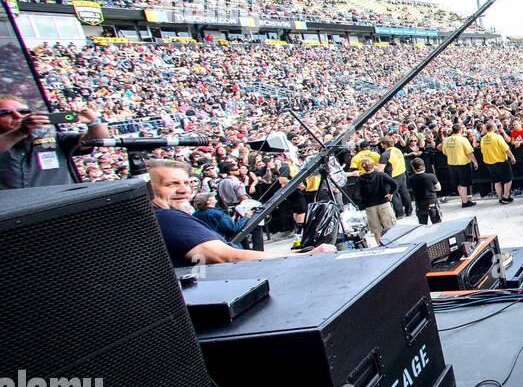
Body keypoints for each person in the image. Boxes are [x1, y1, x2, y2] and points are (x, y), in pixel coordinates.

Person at [148, 160, 335, 266]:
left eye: (187, 183)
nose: (184, 190)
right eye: (171, 184)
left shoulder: (160, 219)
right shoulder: (168, 218)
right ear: (146, 190)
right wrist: (306, 256)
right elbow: (227, 256)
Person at [0, 99, 109, 189]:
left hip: (57, 205)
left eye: (23, 111)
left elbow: (100, 140)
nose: (18, 115)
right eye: (5, 113)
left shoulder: (53, 137)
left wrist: (94, 122)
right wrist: (20, 132)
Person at [356, 156, 398, 240]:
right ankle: (393, 242)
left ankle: (379, 245)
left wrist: (363, 203)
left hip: (370, 206)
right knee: (390, 226)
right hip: (383, 203)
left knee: (376, 231)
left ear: (363, 167)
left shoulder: (359, 179)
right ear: (373, 165)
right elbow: (394, 183)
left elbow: (356, 195)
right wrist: (390, 193)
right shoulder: (380, 175)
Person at [440, 123, 478, 208]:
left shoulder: (446, 140)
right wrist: (475, 161)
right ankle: (465, 202)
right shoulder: (463, 139)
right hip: (462, 163)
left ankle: (464, 199)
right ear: (460, 130)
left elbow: (444, 152)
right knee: (463, 183)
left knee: (458, 183)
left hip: (451, 164)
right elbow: (469, 152)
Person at [479, 121, 516, 203]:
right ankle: (506, 196)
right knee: (508, 179)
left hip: (489, 163)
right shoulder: (497, 137)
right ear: (493, 128)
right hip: (500, 162)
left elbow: (482, 151)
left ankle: (500, 198)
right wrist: (512, 157)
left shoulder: (483, 139)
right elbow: (506, 149)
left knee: (496, 181)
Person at [407, 157, 441, 225]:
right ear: (424, 166)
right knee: (437, 224)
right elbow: (439, 188)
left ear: (413, 168)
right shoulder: (431, 176)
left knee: (422, 225)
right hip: (431, 202)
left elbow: (410, 188)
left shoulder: (411, 179)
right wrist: (431, 189)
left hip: (420, 204)